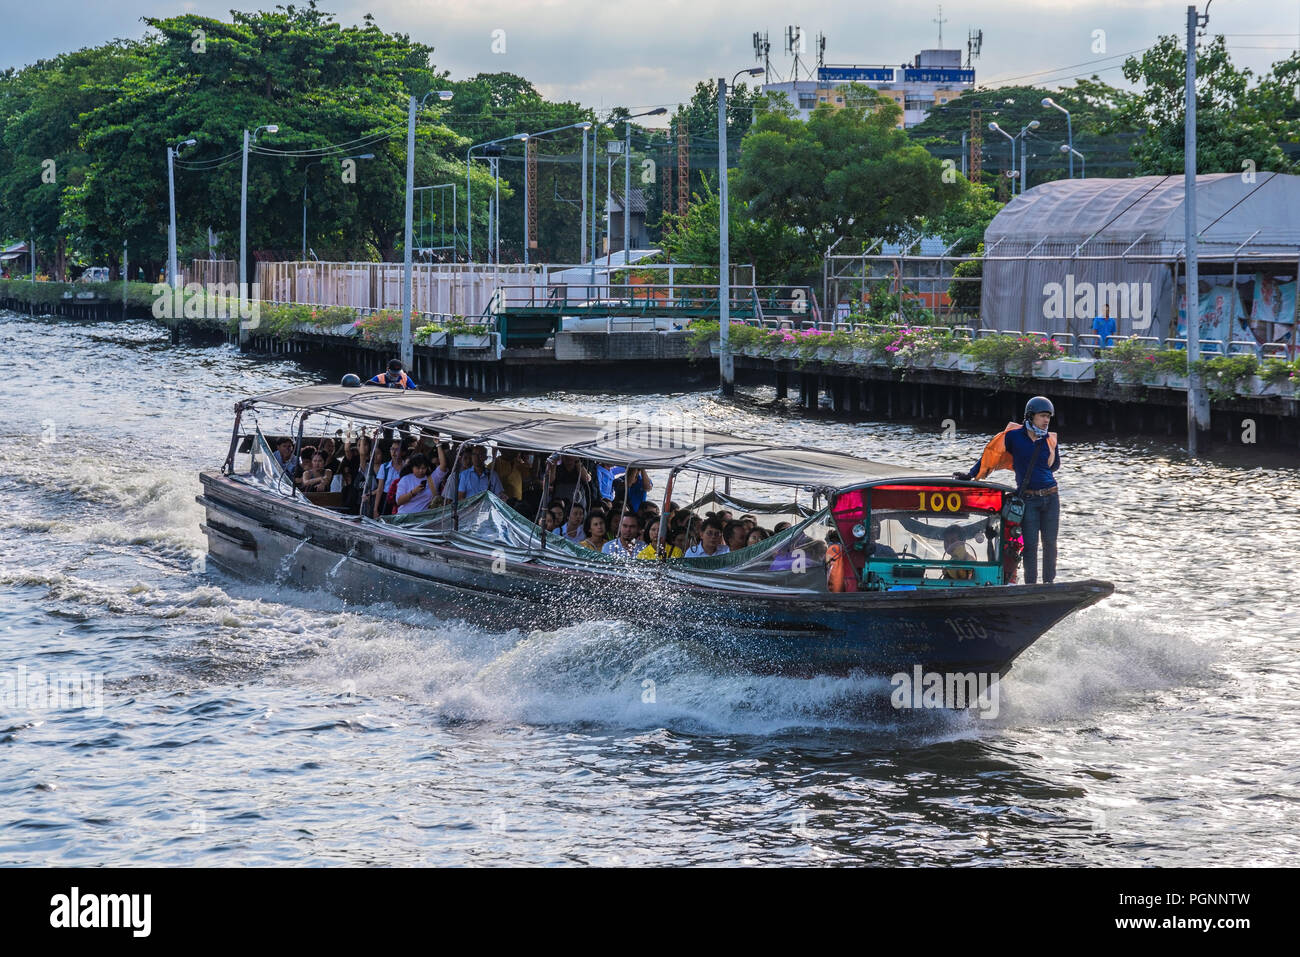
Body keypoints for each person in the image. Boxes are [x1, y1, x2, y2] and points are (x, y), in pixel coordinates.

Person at [955, 395, 1060, 585]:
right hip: (1028, 499)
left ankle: (1049, 584)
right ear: (1030, 416)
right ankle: (1031, 586)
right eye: (1043, 416)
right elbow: (991, 455)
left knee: (1050, 544)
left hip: (1051, 497)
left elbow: (1054, 466)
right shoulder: (1013, 436)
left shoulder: (1049, 440)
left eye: (1049, 417)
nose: (1046, 421)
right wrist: (970, 475)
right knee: (1030, 546)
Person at [373, 438, 406, 517]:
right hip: (386, 499)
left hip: (401, 499)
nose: (394, 452)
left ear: (403, 452)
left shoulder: (406, 468)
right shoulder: (384, 467)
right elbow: (380, 489)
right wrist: (375, 508)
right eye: (392, 449)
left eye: (397, 450)